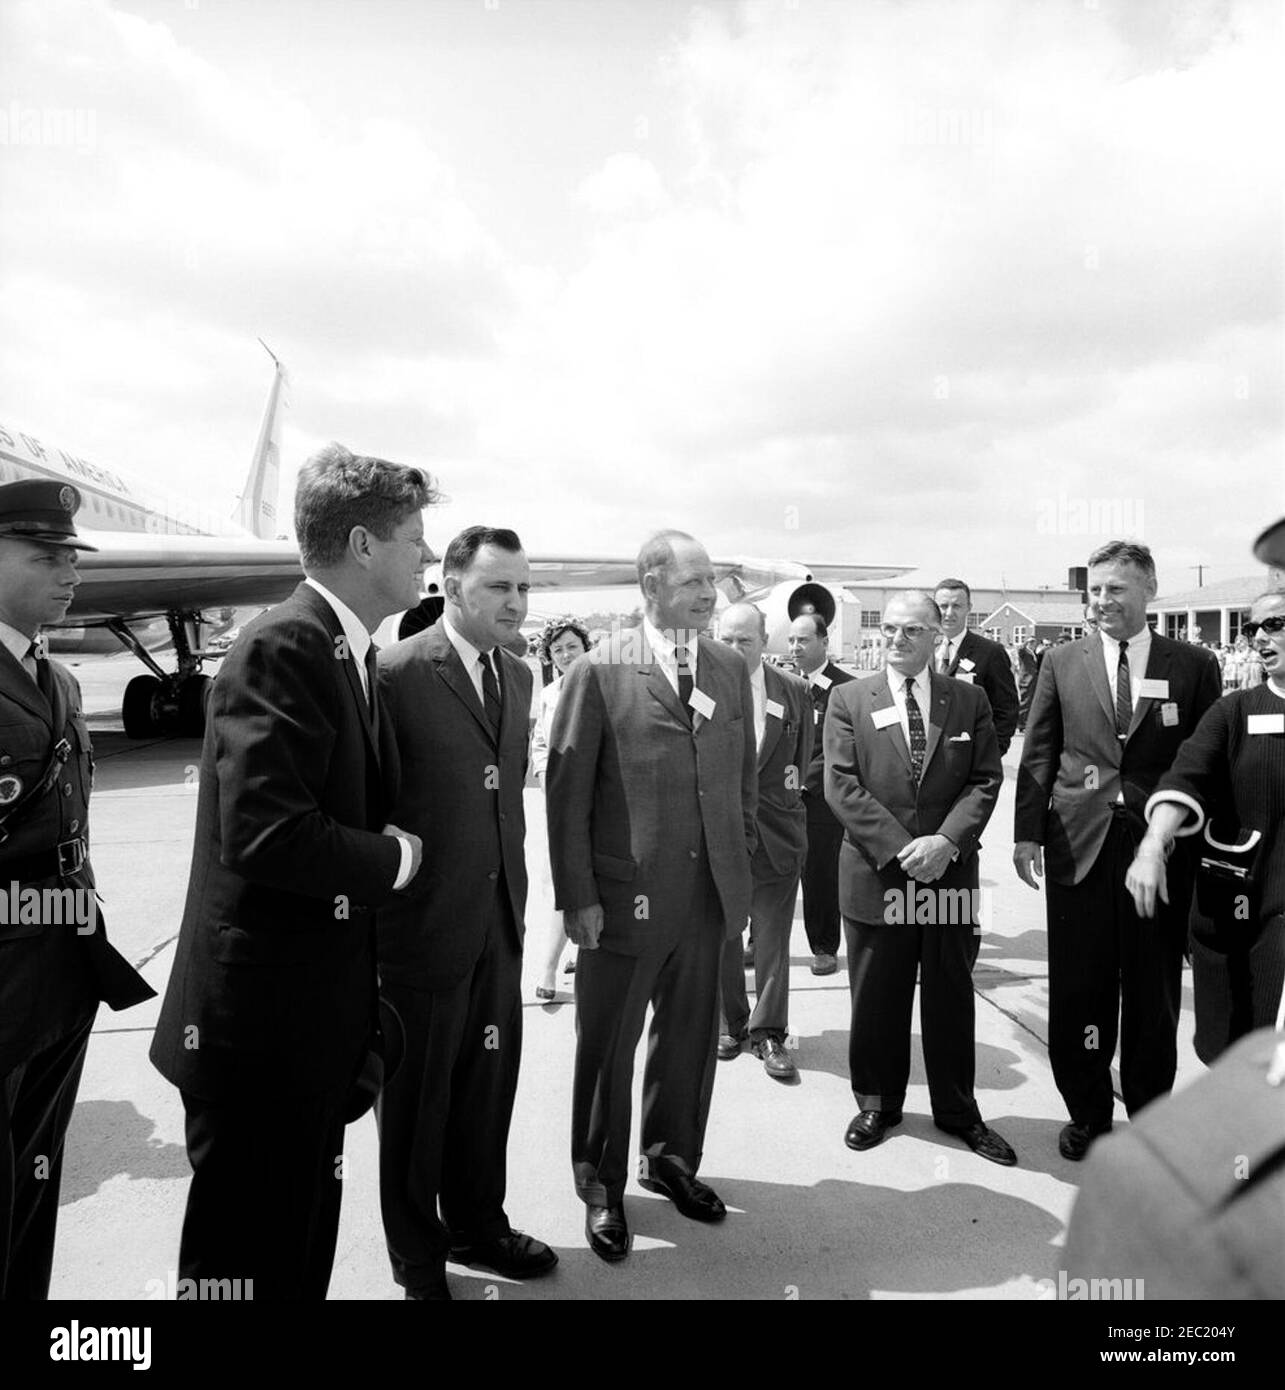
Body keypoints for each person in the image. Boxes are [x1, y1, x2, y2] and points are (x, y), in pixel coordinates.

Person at [149, 444, 431, 1299]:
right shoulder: (286, 644)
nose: (427, 555)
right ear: (362, 545)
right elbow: (267, 834)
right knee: (243, 1263)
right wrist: (396, 857)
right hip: (258, 1035)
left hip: (305, 1026)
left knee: (296, 1249)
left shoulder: (343, 650)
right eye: (416, 539)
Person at [545, 530, 756, 1262]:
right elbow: (566, 795)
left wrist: (741, 871)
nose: (709, 593)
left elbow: (741, 779)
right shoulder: (600, 671)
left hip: (707, 895)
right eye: (695, 581)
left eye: (711, 581)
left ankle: (670, 1160)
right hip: (622, 901)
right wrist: (578, 896)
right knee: (607, 1047)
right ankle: (601, 1187)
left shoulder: (729, 668)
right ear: (651, 587)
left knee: (690, 1039)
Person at [375, 527, 554, 1300]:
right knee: (415, 1110)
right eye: (497, 588)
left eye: (522, 587)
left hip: (497, 922)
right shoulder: (396, 674)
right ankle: (418, 1261)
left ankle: (480, 1225)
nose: (515, 602)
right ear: (450, 588)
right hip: (418, 934)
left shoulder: (519, 677)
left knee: (487, 1087)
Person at [1014, 540, 1221, 1162]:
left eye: (1116, 589)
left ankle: (1151, 1114)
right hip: (1078, 845)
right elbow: (1040, 750)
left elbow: (1205, 759)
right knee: (1081, 987)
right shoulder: (1061, 660)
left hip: (1160, 852)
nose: (1102, 600)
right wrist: (1026, 832)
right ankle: (1087, 1113)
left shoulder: (1193, 664)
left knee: (1153, 990)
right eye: (1095, 589)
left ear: (1149, 590)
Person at [0, 480, 154, 1301]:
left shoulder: (54, 681)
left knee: (33, 1190)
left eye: (72, 558)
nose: (69, 575)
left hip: (63, 978)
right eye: (44, 556)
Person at [825, 590, 1015, 1166]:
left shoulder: (969, 700)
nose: (898, 639)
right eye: (889, 629)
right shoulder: (848, 698)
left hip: (948, 877)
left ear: (938, 634)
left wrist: (946, 842)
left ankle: (958, 1111)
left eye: (912, 630)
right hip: (878, 876)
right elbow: (841, 783)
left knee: (950, 995)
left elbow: (984, 779)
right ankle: (877, 1104)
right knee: (877, 997)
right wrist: (905, 849)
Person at [1125, 589, 1285, 1061]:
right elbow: (1186, 776)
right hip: (1241, 901)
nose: (1259, 637)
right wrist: (1153, 846)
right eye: (1252, 627)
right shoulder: (1235, 712)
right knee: (1230, 1046)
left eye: (1274, 624)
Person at [715, 603, 813, 1082]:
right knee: (723, 936)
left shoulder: (793, 690)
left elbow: (801, 761)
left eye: (745, 641)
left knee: (773, 940)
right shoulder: (698, 687)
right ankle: (731, 1023)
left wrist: (788, 809)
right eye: (727, 640)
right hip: (718, 838)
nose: (735, 650)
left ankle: (770, 1031)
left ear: (764, 641)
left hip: (777, 836)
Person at [787, 612, 855, 976]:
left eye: (804, 640)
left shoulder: (844, 688)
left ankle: (824, 946)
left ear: (824, 643)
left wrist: (801, 781)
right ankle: (756, 940)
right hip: (778, 798)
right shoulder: (781, 683)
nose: (795, 647)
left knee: (820, 875)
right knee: (766, 870)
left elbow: (836, 747)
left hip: (819, 799)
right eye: (792, 641)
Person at [529, 615, 592, 1000]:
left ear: (586, 648)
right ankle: (554, 964)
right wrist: (542, 775)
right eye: (557, 649)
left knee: (585, 877)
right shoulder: (550, 694)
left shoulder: (603, 686)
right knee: (561, 881)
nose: (566, 654)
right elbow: (539, 742)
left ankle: (565, 960)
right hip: (559, 799)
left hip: (596, 801)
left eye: (572, 646)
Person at [932, 579, 1020, 757]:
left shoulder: (990, 652)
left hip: (970, 757)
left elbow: (1007, 709)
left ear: (968, 608)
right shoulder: (924, 649)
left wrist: (992, 752)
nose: (949, 613)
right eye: (943, 606)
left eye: (956, 606)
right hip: (930, 756)